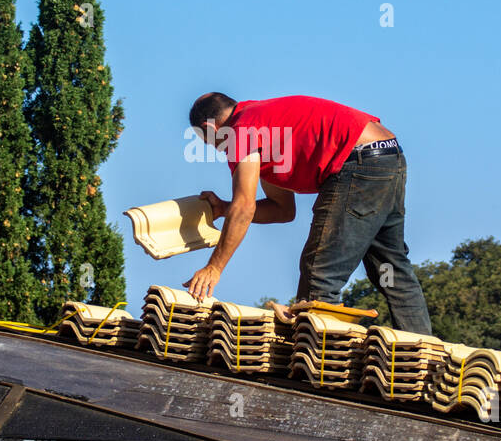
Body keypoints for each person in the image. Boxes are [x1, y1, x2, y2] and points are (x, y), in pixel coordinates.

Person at [184, 92, 431, 334]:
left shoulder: (241, 130)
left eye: (209, 142)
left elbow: (245, 206)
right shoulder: (263, 124)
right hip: (386, 158)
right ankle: (423, 352)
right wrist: (225, 209)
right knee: (388, 269)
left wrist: (213, 268)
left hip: (358, 163)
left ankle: (321, 363)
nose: (218, 150)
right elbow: (282, 210)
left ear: (210, 128)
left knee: (319, 272)